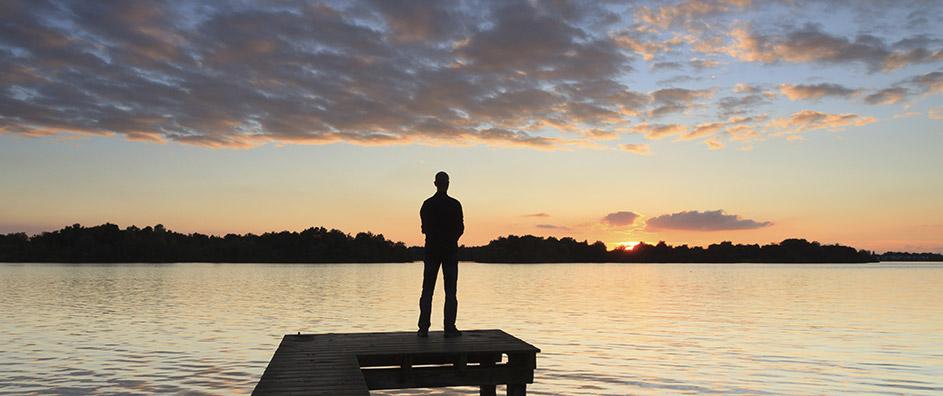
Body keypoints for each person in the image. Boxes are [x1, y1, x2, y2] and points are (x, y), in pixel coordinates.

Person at [417, 171, 464, 338]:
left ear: (435, 184)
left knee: (427, 290)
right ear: (448, 184)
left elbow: (424, 228)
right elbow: (460, 229)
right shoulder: (455, 205)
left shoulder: (427, 204)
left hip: (432, 251)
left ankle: (423, 328)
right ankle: (449, 328)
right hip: (449, 251)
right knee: (450, 292)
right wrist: (450, 239)